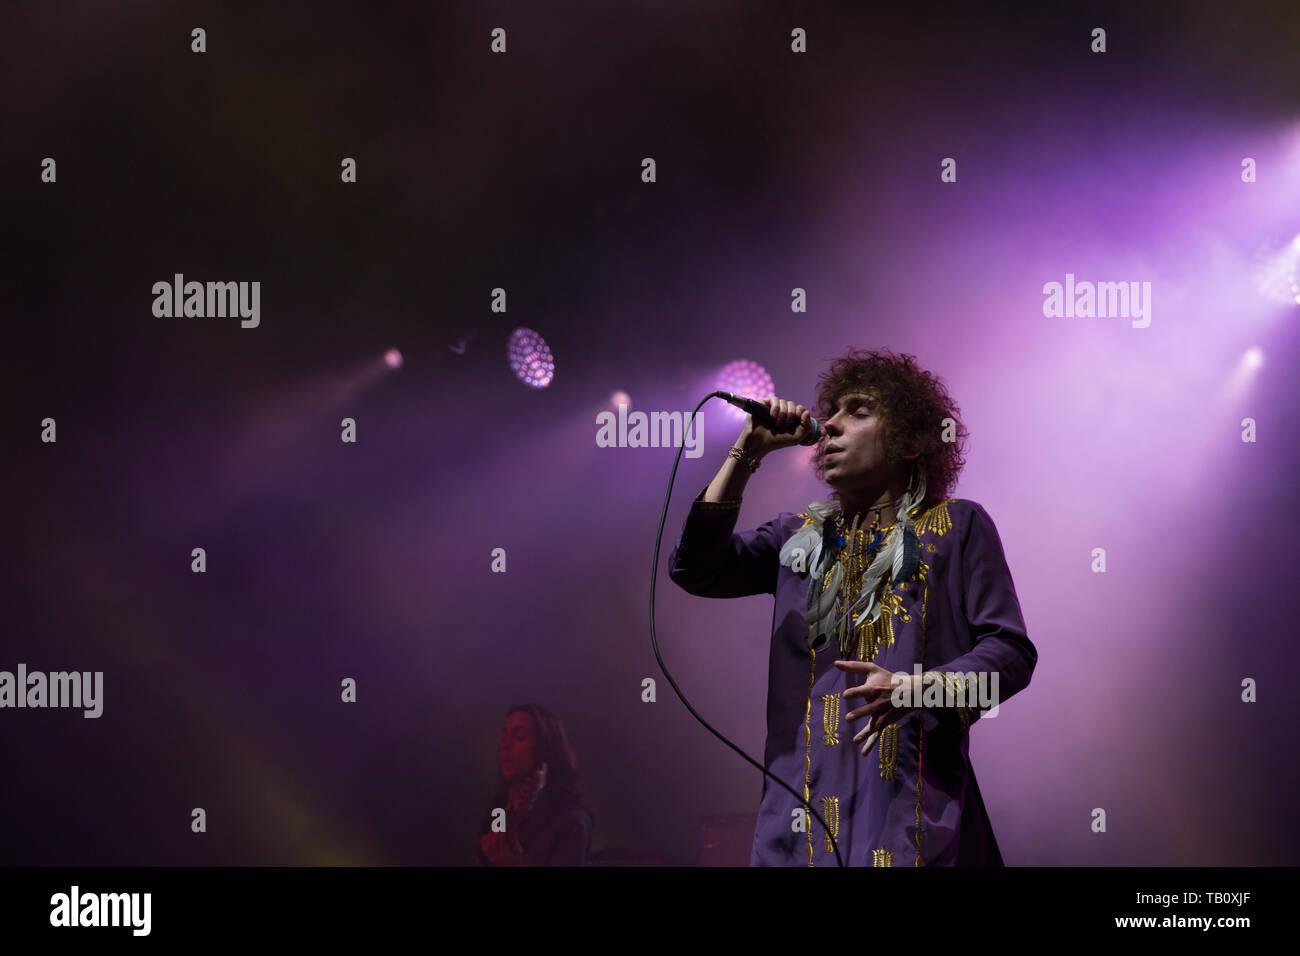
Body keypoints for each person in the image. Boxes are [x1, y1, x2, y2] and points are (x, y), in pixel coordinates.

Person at [668, 347, 1036, 866]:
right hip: (796, 825)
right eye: (832, 412)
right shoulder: (795, 537)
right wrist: (745, 453)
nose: (831, 426)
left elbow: (1012, 656)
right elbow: (694, 568)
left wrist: (920, 689)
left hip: (906, 816)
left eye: (858, 412)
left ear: (909, 441)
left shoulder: (958, 526)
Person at [476, 703, 595, 866]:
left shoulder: (570, 821)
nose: (505, 746)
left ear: (545, 748)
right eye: (505, 737)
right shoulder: (500, 809)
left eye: (519, 737)